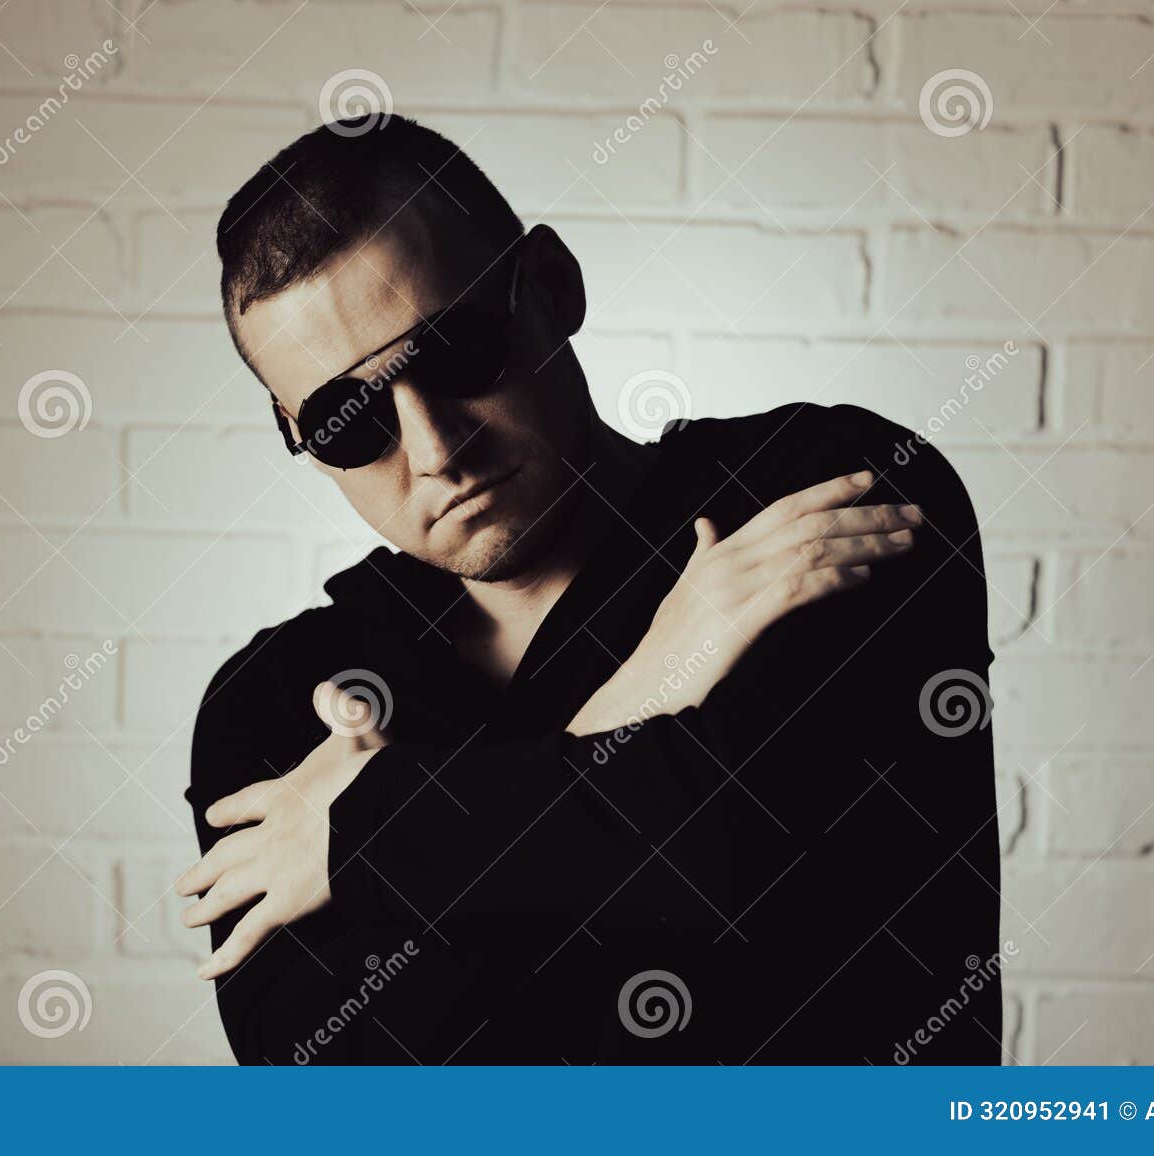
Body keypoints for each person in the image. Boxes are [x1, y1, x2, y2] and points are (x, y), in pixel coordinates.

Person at [178, 114, 1002, 1064]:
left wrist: (369, 834)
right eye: (348, 420)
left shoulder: (821, 482)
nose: (438, 451)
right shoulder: (275, 702)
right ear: (298, 438)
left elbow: (748, 851)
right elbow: (340, 1079)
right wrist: (657, 684)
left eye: (453, 353)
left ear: (552, 286)